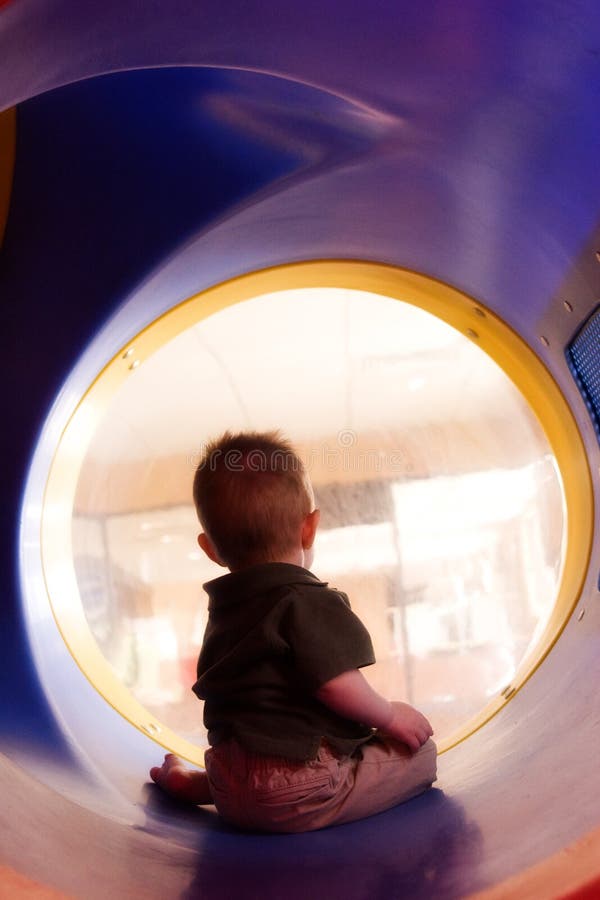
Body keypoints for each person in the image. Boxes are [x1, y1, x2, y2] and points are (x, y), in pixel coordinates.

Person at [150, 431, 436, 832]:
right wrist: (390, 716)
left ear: (210, 548)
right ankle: (243, 792)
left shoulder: (224, 610)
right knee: (421, 755)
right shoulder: (304, 599)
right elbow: (334, 684)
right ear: (310, 528)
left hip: (230, 784)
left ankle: (196, 784)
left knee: (256, 765)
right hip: (301, 789)